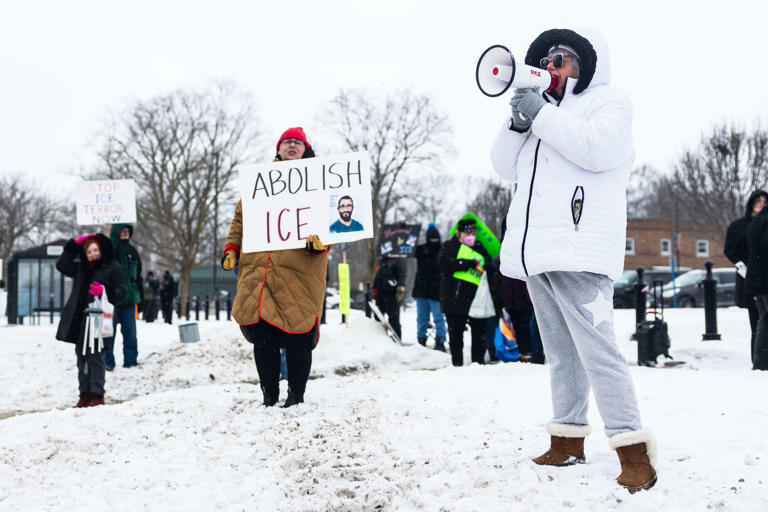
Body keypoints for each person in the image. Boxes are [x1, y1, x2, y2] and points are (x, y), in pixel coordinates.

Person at [490, 28, 656, 493]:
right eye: (546, 58)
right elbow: (502, 166)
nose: (551, 64)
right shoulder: (544, 114)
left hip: (580, 250)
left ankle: (633, 450)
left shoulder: (609, 101)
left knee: (598, 353)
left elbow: (598, 150)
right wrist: (519, 124)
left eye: (561, 58)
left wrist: (540, 115)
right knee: (561, 354)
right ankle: (567, 439)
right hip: (540, 252)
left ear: (585, 65)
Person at [221, 127, 329, 407]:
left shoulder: (320, 181)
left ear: (305, 149)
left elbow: (332, 220)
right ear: (278, 148)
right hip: (261, 271)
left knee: (298, 335)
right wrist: (232, 248)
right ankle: (269, 395)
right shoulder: (260, 182)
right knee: (263, 336)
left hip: (301, 272)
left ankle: (296, 396)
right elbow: (240, 219)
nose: (292, 146)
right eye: (287, 142)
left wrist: (324, 243)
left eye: (297, 142)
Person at [55, 234, 126, 407]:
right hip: (80, 318)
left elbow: (122, 292)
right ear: (85, 254)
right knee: (82, 357)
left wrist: (104, 291)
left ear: (101, 251)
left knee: (96, 357)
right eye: (89, 251)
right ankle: (84, 394)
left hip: (100, 318)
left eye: (95, 250)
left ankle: (97, 394)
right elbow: (62, 265)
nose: (93, 254)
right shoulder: (81, 268)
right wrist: (73, 246)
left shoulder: (113, 268)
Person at [439, 218, 499, 366]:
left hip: (477, 299)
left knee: (479, 334)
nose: (470, 236)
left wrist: (487, 268)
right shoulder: (449, 246)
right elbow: (445, 265)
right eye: (467, 234)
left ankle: (478, 363)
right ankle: (457, 364)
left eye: (473, 233)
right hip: (454, 298)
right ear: (459, 233)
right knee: (456, 334)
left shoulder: (480, 248)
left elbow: (491, 267)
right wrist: (469, 264)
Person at [724, 190, 768, 366]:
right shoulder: (741, 226)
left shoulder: (760, 224)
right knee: (757, 321)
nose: (761, 203)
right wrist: (741, 264)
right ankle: (758, 359)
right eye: (758, 200)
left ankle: (759, 358)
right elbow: (730, 249)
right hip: (750, 274)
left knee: (761, 321)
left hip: (758, 274)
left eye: (764, 201)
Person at [105, 224, 142, 370]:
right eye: (123, 231)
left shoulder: (132, 252)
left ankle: (131, 361)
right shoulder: (109, 252)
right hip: (112, 301)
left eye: (128, 232)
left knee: (131, 334)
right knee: (109, 334)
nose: (126, 234)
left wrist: (140, 297)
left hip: (129, 301)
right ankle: (108, 362)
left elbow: (138, 276)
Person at [412, 222, 447, 349]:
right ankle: (421, 339)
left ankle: (440, 340)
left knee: (439, 318)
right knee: (421, 319)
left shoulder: (443, 249)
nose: (434, 241)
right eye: (431, 238)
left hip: (437, 290)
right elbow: (407, 248)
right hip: (421, 289)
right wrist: (405, 232)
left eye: (436, 238)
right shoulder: (421, 250)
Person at [745, 201, 768, 370]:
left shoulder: (757, 221)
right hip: (764, 281)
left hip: (758, 281)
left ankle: (760, 361)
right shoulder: (764, 222)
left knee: (763, 321)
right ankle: (760, 362)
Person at [372, 254, 407, 341]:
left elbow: (402, 275)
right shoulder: (382, 260)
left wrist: (400, 287)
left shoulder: (398, 260)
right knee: (378, 318)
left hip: (392, 294)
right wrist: (375, 290)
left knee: (393, 319)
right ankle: (380, 339)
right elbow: (377, 276)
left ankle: (397, 340)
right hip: (380, 293)